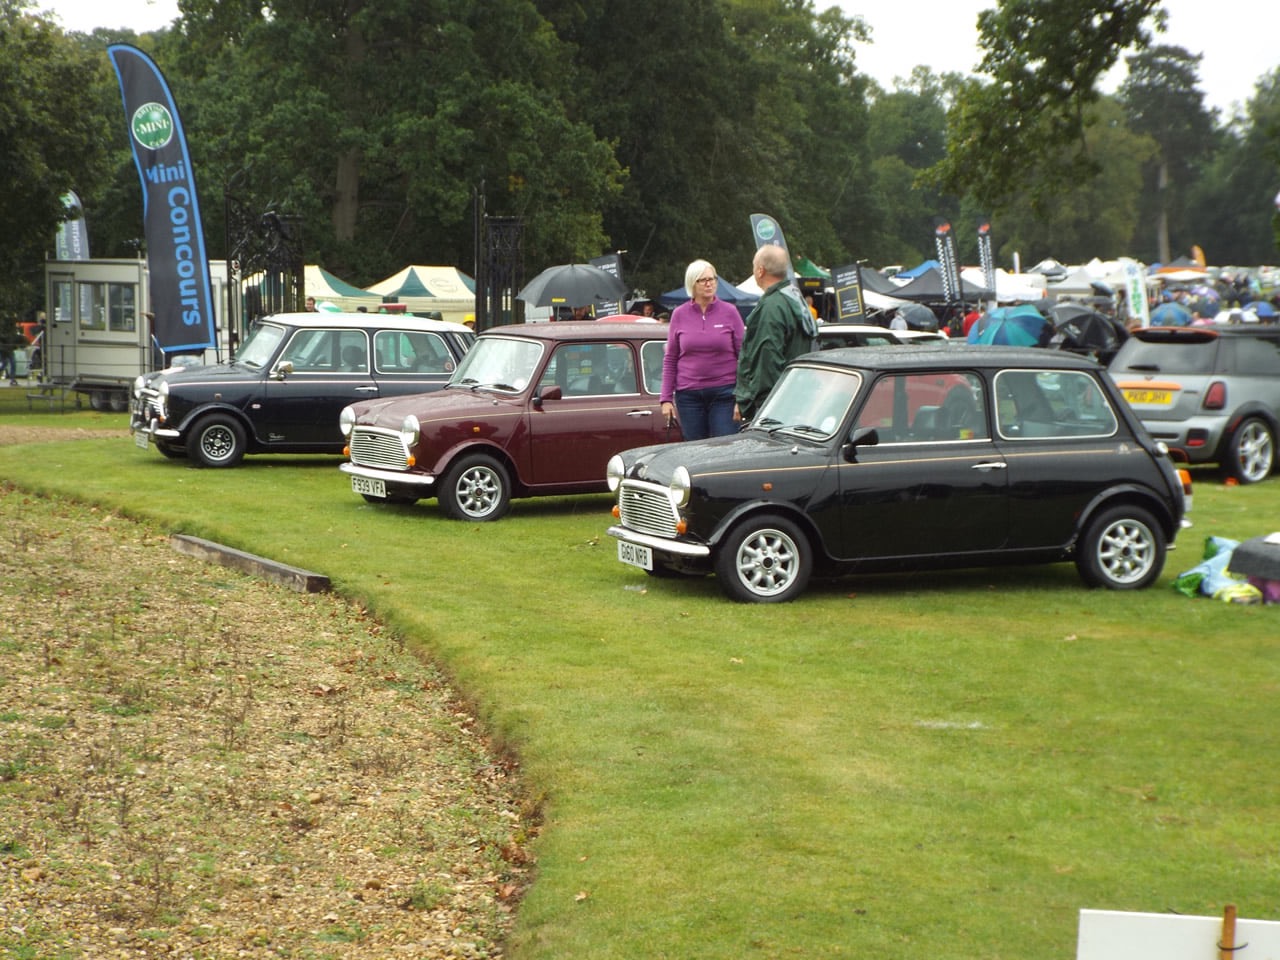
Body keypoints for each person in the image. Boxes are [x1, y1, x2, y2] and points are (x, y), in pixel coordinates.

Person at [660, 260, 744, 440]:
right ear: (692, 283)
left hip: (725, 393)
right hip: (689, 396)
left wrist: (743, 397)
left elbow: (744, 357)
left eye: (712, 279)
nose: (709, 283)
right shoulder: (679, 314)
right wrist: (666, 399)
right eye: (703, 280)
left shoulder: (730, 312)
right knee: (695, 451)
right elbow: (671, 358)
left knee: (725, 447)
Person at [734, 245, 817, 423]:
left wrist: (761, 407)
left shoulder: (771, 307)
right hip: (799, 396)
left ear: (760, 270)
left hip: (774, 407)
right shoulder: (796, 299)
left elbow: (766, 361)